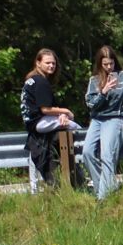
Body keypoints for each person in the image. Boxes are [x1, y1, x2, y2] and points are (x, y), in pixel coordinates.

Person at [76, 43, 123, 199]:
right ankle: (105, 188)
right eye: (105, 64)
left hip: (116, 118)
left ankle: (102, 197)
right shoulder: (94, 80)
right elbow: (91, 105)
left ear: (115, 61)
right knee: (87, 153)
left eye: (111, 63)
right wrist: (104, 92)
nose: (109, 67)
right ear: (100, 63)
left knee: (107, 155)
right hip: (97, 120)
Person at [19, 48, 76, 190]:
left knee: (65, 122)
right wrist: (66, 112)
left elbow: (48, 108)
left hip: (33, 123)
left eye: (54, 63)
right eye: (47, 63)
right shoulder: (41, 81)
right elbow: (44, 109)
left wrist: (60, 115)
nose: (51, 66)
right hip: (39, 122)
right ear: (38, 63)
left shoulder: (31, 80)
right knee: (76, 127)